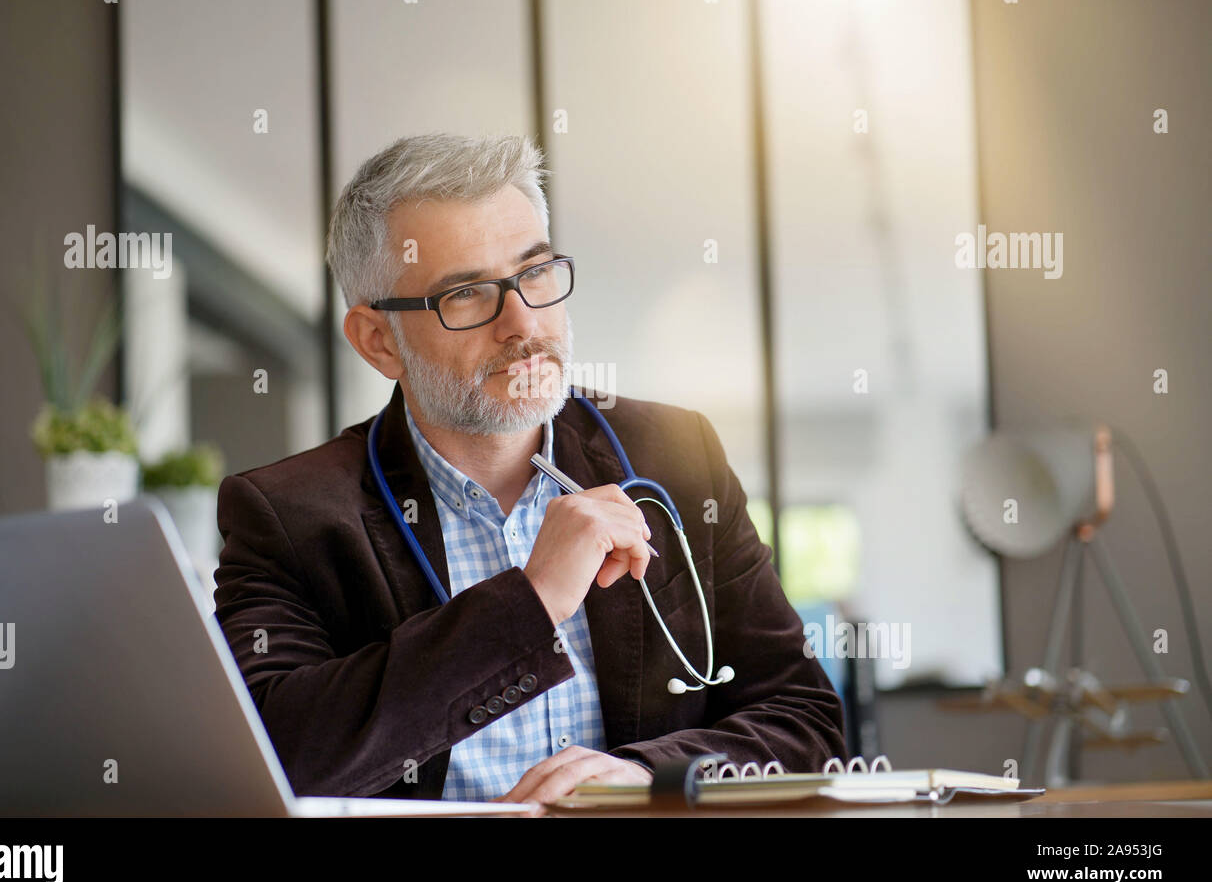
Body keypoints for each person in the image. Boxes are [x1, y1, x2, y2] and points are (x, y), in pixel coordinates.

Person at [213, 132, 845, 810]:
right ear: (378, 340)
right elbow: (277, 759)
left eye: (535, 273)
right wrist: (531, 599)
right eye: (465, 294)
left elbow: (805, 719)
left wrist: (648, 775)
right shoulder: (287, 513)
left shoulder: (677, 455)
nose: (522, 323)